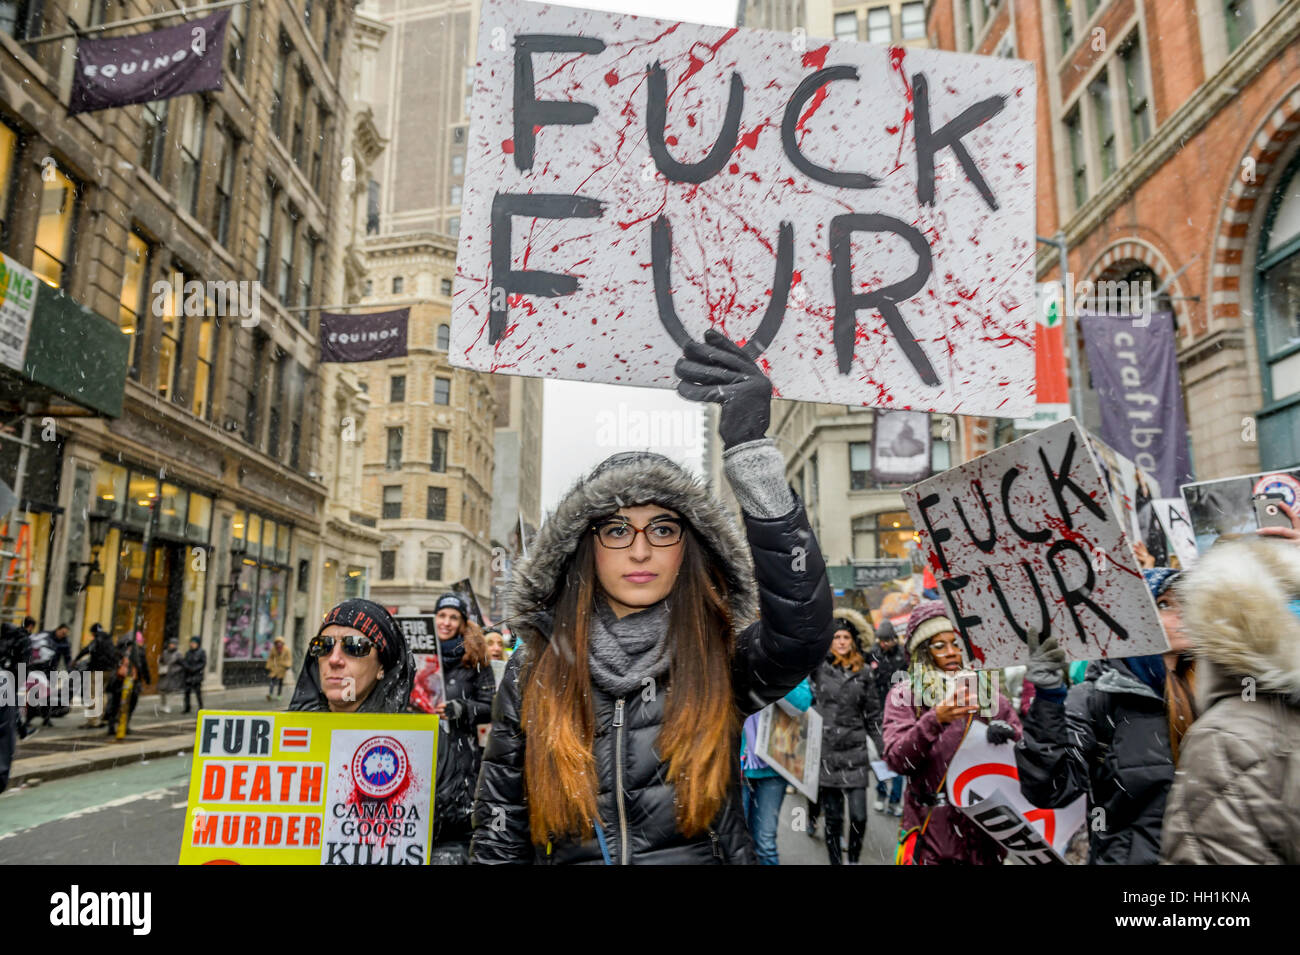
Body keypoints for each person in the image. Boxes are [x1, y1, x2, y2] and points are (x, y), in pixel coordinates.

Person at [470, 330, 833, 864]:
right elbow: (500, 831)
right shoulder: (533, 669)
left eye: (663, 529)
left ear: (688, 548)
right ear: (585, 547)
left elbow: (802, 631)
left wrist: (751, 453)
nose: (640, 550)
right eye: (617, 530)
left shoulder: (719, 654)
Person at [1015, 568, 1195, 865]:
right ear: (1135, 619)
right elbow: (1050, 790)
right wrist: (1048, 700)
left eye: (1187, 602)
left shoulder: (1219, 692)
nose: (1182, 614)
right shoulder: (1095, 700)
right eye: (1164, 604)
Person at [1161, 527, 1300, 863]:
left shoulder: (1225, 731)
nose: (1179, 615)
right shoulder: (1226, 736)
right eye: (1164, 604)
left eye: (1181, 603)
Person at [883, 601, 1022, 865]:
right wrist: (934, 720)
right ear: (924, 651)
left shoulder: (987, 692)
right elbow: (897, 759)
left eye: (957, 644)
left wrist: (1009, 737)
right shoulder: (905, 695)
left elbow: (1020, 752)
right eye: (939, 646)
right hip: (931, 833)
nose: (951, 653)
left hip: (985, 832)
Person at [813, 617, 885, 865]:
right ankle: (836, 861)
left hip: (855, 751)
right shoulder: (819, 669)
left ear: (853, 641)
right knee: (833, 819)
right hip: (828, 752)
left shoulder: (863, 672)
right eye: (836, 637)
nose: (842, 642)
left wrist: (884, 747)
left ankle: (853, 859)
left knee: (859, 817)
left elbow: (873, 715)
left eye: (846, 637)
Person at [739, 677, 812, 865]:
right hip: (735, 764)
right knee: (736, 843)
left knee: (765, 842)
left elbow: (802, 704)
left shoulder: (788, 662)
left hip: (775, 764)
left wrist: (771, 676)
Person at [867, 618, 906, 815]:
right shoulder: (872, 654)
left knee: (898, 755)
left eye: (887, 640)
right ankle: (881, 792)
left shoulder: (903, 656)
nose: (884, 644)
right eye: (881, 641)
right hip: (878, 712)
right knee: (882, 756)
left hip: (899, 712)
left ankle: (895, 799)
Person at [73, 624, 117, 726]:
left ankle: (93, 721)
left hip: (98, 670)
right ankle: (100, 717)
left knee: (92, 695)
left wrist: (76, 659)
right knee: (102, 694)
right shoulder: (109, 640)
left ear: (93, 632)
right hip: (109, 670)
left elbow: (87, 649)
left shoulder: (97, 640)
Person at [157, 636, 184, 713]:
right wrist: (161, 664)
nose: (172, 645)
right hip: (164, 674)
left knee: (169, 692)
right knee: (162, 691)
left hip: (173, 676)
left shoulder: (178, 654)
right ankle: (163, 705)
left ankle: (168, 706)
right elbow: (161, 661)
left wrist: (175, 670)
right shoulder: (165, 652)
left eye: (173, 644)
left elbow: (182, 665)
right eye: (171, 644)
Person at [181, 637, 206, 713]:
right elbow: (185, 662)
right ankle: (187, 708)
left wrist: (195, 669)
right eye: (191, 643)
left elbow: (203, 663)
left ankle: (201, 707)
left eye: (194, 643)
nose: (192, 644)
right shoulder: (188, 652)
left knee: (198, 693)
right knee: (187, 693)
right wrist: (188, 667)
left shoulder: (201, 652)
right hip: (188, 675)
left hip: (197, 675)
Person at [264, 635, 292, 702]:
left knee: (280, 682)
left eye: (280, 643)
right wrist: (268, 666)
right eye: (277, 643)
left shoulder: (286, 649)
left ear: (282, 643)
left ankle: (279, 694)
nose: (279, 644)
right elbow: (270, 658)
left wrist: (288, 665)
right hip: (275, 667)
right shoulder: (273, 649)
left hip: (282, 668)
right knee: (272, 681)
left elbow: (289, 658)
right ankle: (270, 694)